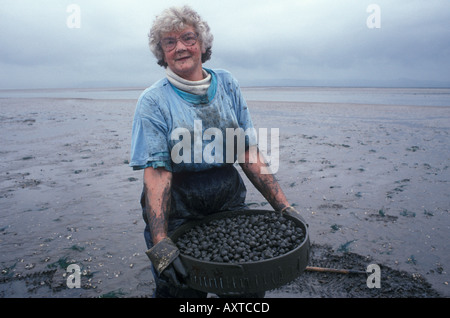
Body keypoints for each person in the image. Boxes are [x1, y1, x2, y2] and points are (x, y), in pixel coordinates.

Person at [129, 5, 303, 298]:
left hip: (226, 198)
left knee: (245, 285)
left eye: (188, 38)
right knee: (179, 288)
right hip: (177, 206)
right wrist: (160, 242)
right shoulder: (153, 101)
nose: (180, 47)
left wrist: (284, 207)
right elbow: (158, 174)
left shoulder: (227, 84)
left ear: (202, 43)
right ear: (162, 52)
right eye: (169, 42)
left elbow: (246, 153)